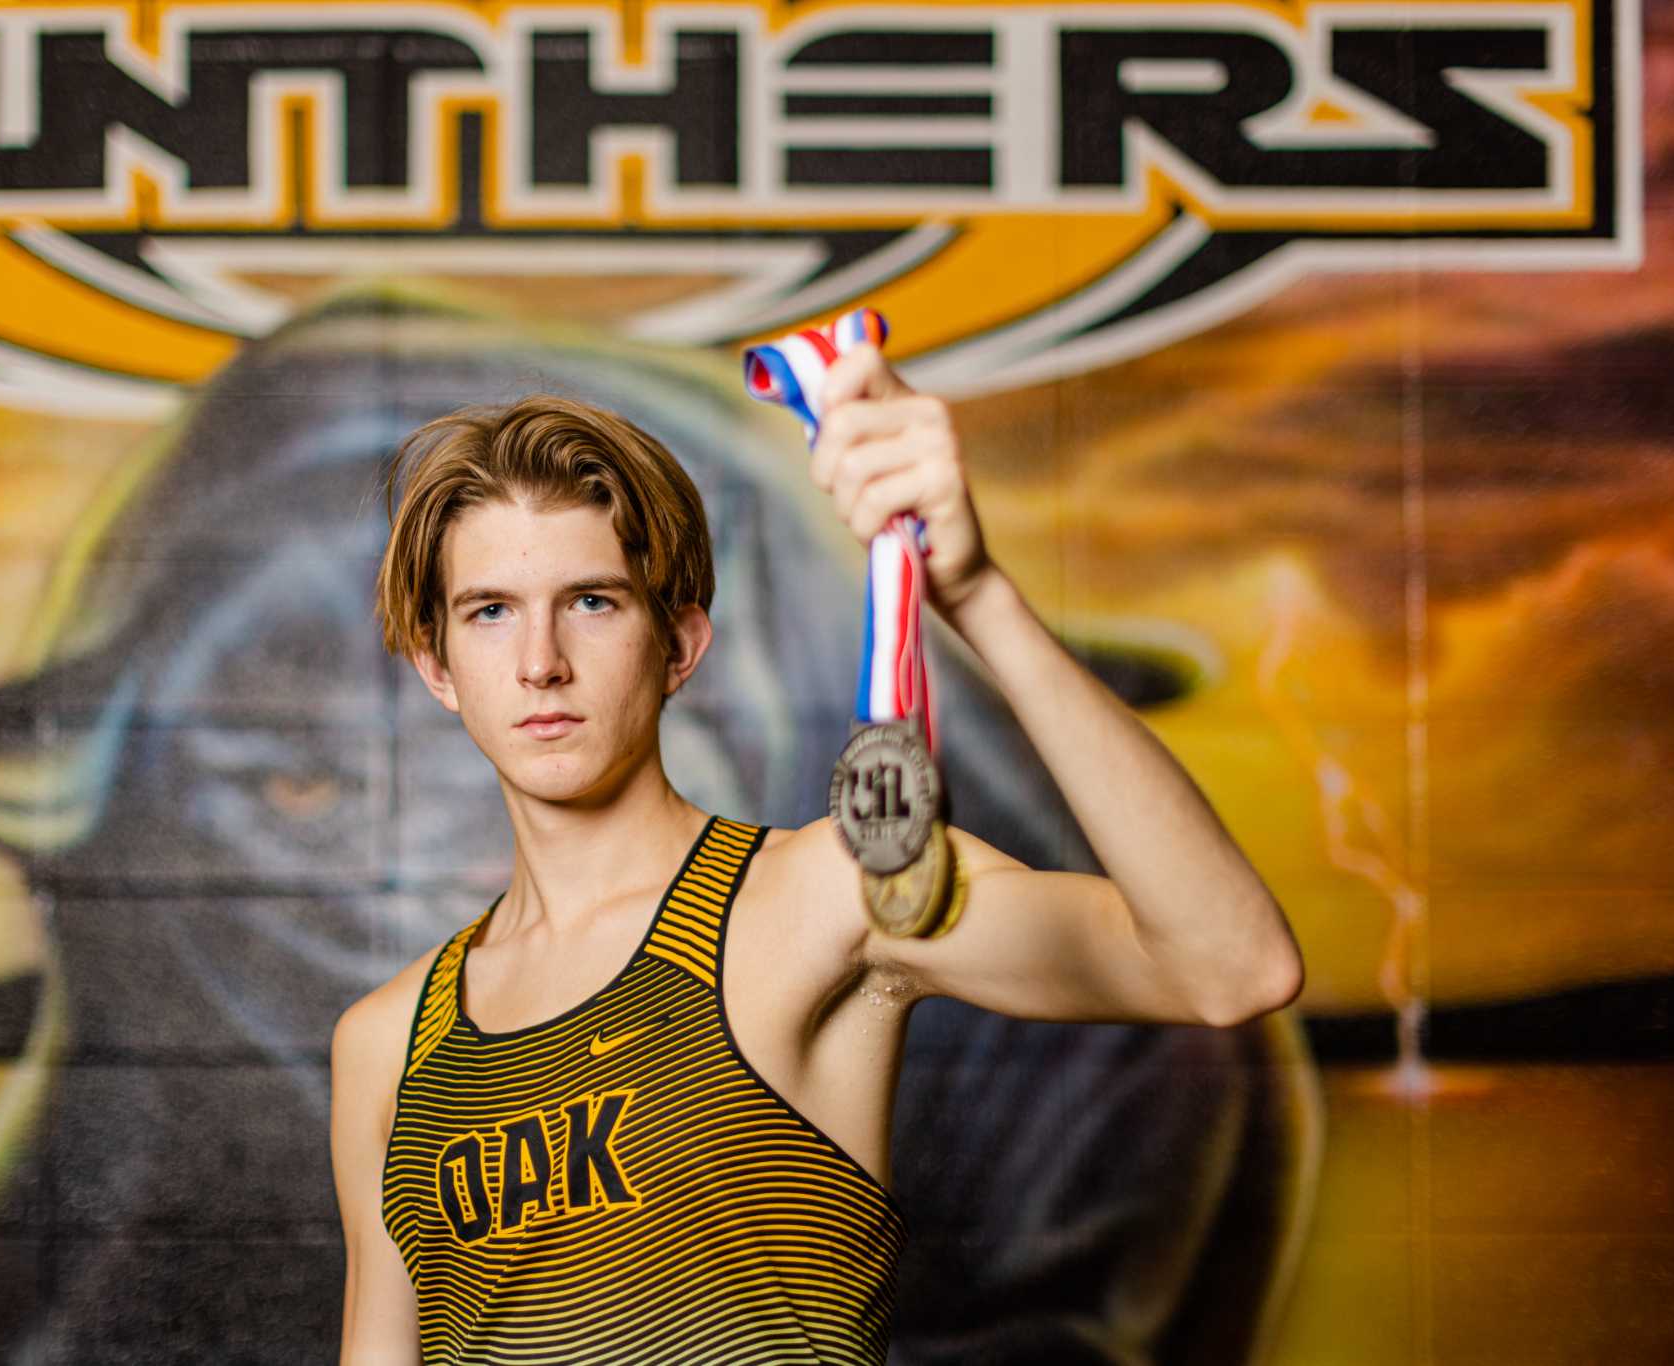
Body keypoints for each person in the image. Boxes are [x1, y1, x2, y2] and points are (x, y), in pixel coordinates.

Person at [330, 341, 1305, 1365]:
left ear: (679, 645)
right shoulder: (388, 1043)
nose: (540, 662)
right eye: (491, 612)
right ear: (438, 667)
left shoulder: (820, 897)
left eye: (592, 601)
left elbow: (1231, 966)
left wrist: (975, 595)